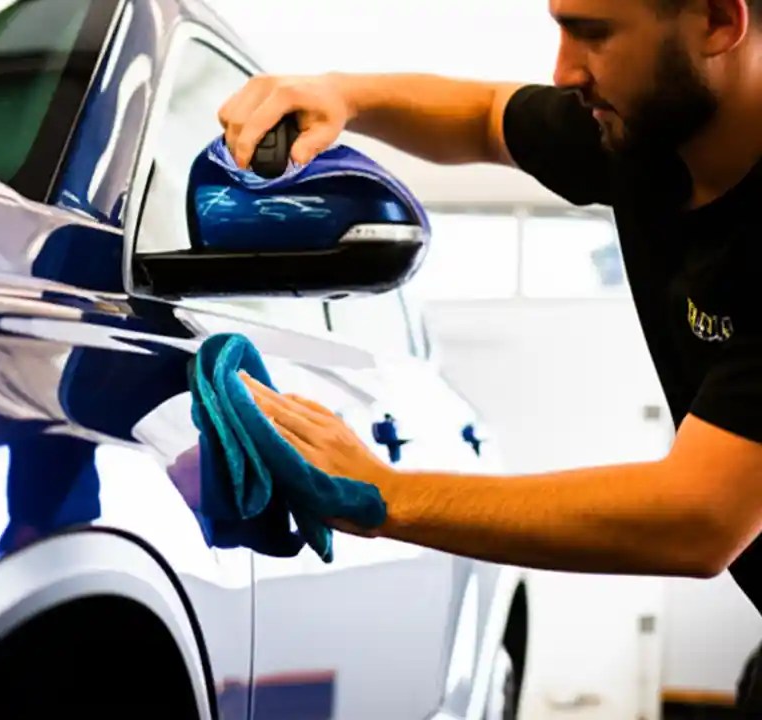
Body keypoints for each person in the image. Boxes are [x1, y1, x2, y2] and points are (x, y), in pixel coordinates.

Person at [218, 0, 762, 710]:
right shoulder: (645, 135)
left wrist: (383, 494)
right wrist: (343, 93)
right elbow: (484, 117)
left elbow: (701, 519)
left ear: (720, 23)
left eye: (594, 34)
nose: (564, 70)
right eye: (562, 26)